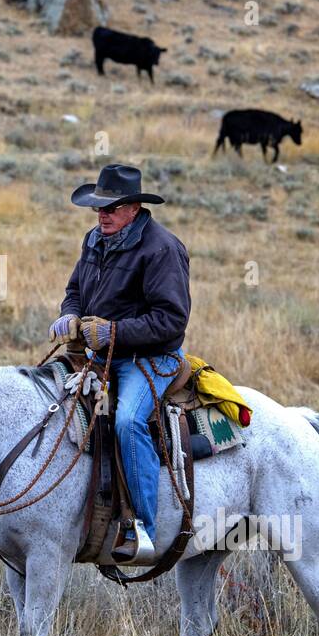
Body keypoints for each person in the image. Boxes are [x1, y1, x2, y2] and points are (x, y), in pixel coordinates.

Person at [49, 163, 191, 555]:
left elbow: (172, 320)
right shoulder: (94, 239)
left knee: (128, 421)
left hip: (151, 358)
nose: (102, 214)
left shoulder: (163, 249)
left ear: (133, 208)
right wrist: (70, 315)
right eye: (99, 208)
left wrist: (114, 332)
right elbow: (75, 288)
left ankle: (143, 529)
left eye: (110, 207)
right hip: (100, 357)